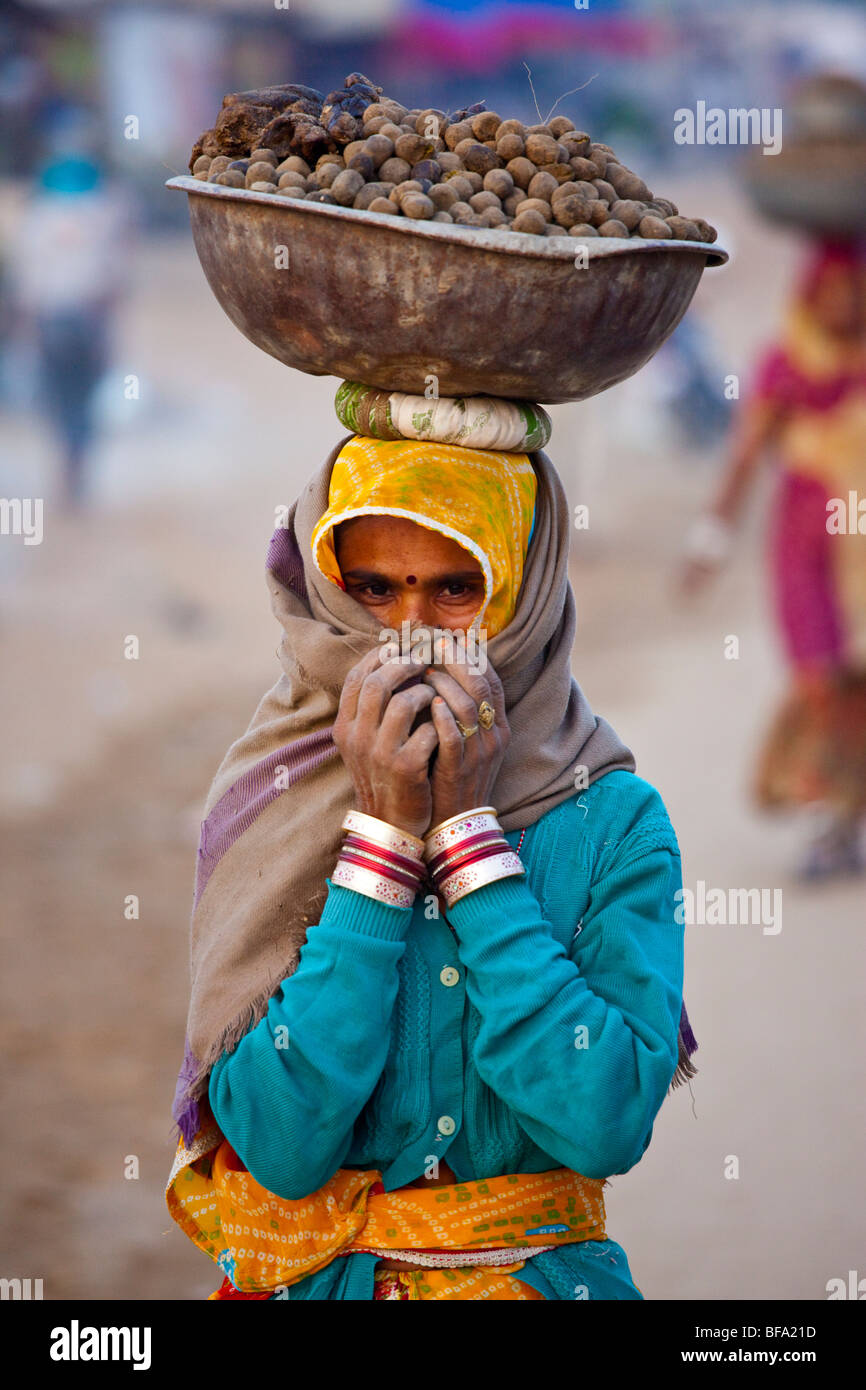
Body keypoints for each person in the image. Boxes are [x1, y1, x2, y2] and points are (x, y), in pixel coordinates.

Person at [167, 426, 696, 1300]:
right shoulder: (270, 802)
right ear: (325, 592)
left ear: (524, 593)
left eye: (457, 589)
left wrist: (467, 838)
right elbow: (281, 1143)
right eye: (372, 589)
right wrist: (382, 841)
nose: (409, 637)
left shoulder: (616, 822)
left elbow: (604, 1121)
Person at [681, 241, 866, 878]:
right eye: (833, 289)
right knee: (820, 680)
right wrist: (711, 542)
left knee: (858, 688)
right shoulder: (786, 366)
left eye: (856, 289)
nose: (845, 303)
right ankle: (824, 817)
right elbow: (744, 459)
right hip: (802, 554)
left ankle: (848, 818)